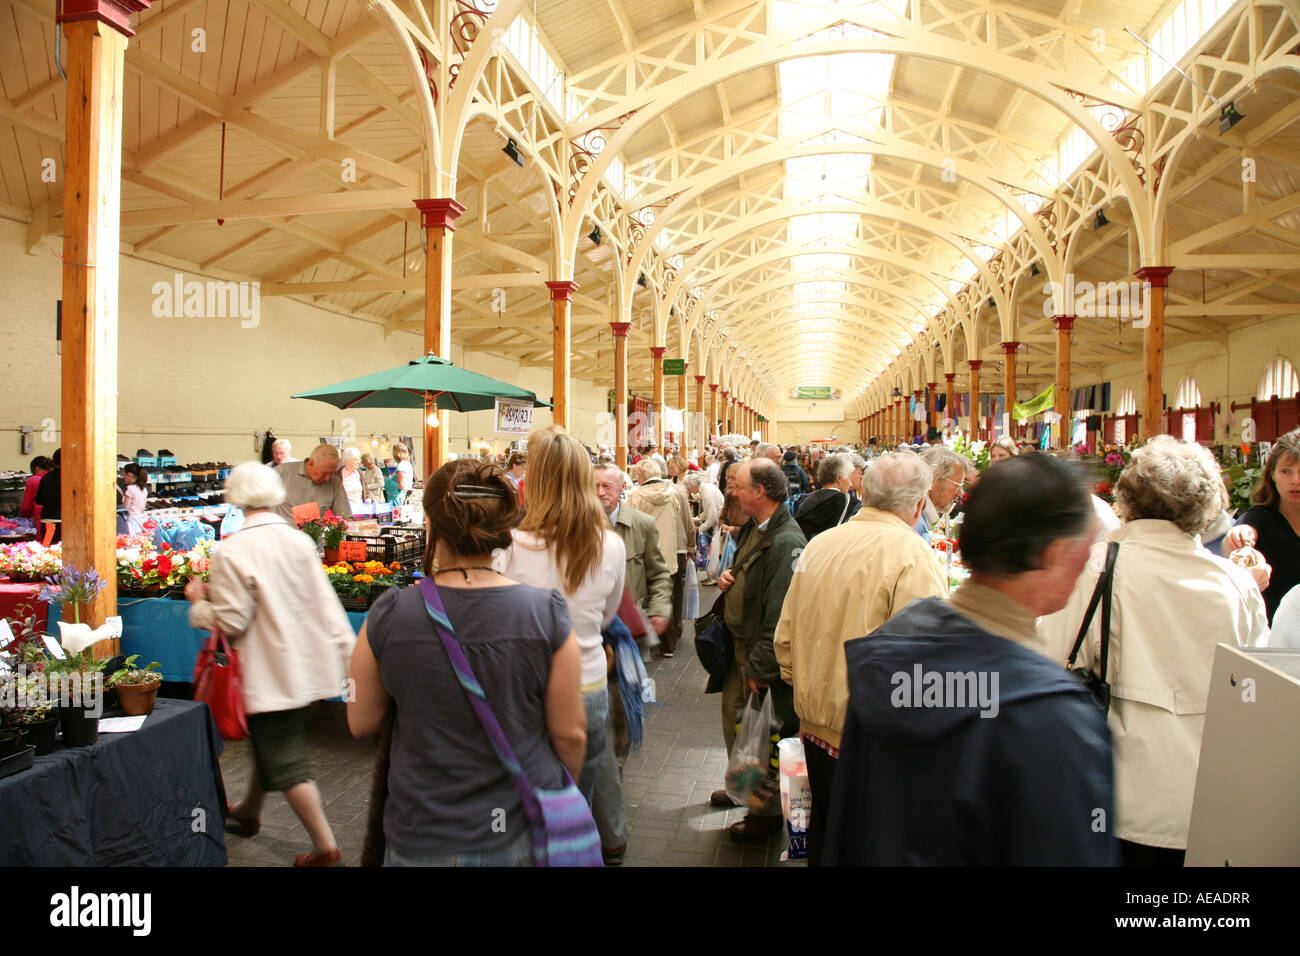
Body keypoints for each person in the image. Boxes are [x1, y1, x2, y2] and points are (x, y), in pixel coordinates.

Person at [823, 454, 1116, 865]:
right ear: (1053, 554)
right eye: (1083, 548)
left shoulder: (893, 644)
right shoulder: (1047, 711)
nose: (1087, 561)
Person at [1037, 437, 1268, 866]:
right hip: (1211, 794)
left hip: (1118, 790)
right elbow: (1255, 691)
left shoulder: (1094, 568)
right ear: (1205, 504)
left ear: (1125, 496)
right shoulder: (1236, 584)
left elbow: (1047, 662)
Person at [346, 458, 585, 867]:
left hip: (420, 831)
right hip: (515, 831)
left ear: (433, 526)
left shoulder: (389, 612)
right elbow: (570, 735)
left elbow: (360, 721)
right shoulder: (546, 612)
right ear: (502, 529)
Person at [774, 452, 948, 866]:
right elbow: (927, 660)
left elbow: (784, 638)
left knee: (825, 835)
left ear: (864, 492)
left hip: (816, 727)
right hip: (870, 738)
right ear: (919, 502)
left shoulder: (820, 544)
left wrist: (810, 689)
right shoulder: (913, 555)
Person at [186, 462, 355, 866]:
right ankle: (249, 812)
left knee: (287, 759)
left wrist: (199, 602)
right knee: (274, 742)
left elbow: (232, 621)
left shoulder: (234, 549)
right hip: (308, 664)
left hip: (270, 671)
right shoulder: (296, 540)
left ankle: (325, 847)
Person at [494, 426, 625, 804]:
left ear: (533, 481)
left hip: (524, 691)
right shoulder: (610, 546)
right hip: (587, 684)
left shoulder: (509, 547)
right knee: (573, 803)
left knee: (522, 804)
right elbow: (606, 616)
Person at [713, 458, 806, 841]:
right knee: (738, 726)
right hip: (742, 651)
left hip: (757, 657)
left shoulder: (786, 541)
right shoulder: (758, 529)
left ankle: (763, 814)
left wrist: (761, 667)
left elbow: (782, 611)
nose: (733, 490)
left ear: (760, 492)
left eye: (740, 485)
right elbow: (750, 576)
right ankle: (743, 788)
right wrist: (729, 578)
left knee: (762, 733)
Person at [592, 462, 672, 863]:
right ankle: (603, 806)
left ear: (623, 488)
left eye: (608, 485)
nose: (601, 491)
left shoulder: (639, 524)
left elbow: (660, 572)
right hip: (592, 639)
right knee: (593, 717)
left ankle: (612, 784)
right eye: (595, 485)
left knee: (621, 717)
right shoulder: (577, 526)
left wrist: (659, 608)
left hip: (626, 640)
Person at [1224, 429, 1300, 622]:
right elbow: (1245, 531)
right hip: (1272, 639)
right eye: (1286, 471)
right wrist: (1241, 536)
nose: (1295, 481)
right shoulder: (1261, 519)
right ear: (1272, 474)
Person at [627, 459, 692, 657]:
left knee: (646, 595)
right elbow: (682, 518)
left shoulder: (636, 496)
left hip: (647, 552)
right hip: (671, 552)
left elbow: (631, 524)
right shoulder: (674, 491)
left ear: (641, 476)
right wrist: (691, 545)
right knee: (669, 595)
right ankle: (669, 644)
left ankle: (647, 638)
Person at [274, 444, 352, 523]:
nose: (327, 478)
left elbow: (345, 519)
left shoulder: (334, 483)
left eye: (332, 474)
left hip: (315, 534)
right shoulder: (282, 473)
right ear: (311, 462)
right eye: (324, 473)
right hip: (280, 532)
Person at [794, 454, 857, 540]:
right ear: (839, 478)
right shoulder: (847, 502)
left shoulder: (809, 498)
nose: (851, 484)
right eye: (849, 479)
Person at [914, 445, 969, 541]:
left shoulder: (920, 512)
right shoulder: (914, 519)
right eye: (957, 485)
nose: (960, 493)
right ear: (933, 480)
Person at [33, 448, 62, 543]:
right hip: (69, 522)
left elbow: (39, 500)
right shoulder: (75, 476)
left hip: (49, 522)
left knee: (50, 552)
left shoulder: (46, 477)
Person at [123, 465, 149, 536]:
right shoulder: (144, 489)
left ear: (130, 475)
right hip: (141, 520)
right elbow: (142, 509)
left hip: (131, 522)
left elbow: (125, 508)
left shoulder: (130, 489)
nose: (123, 478)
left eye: (124, 475)